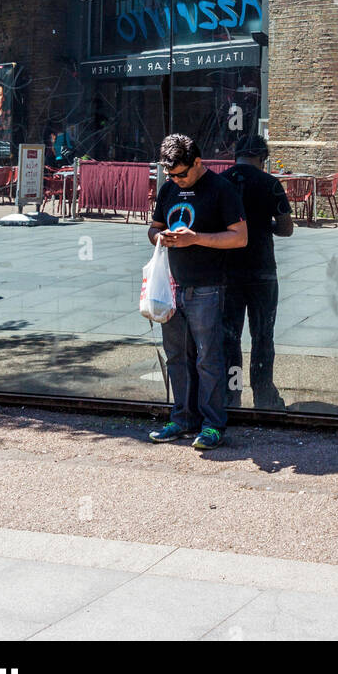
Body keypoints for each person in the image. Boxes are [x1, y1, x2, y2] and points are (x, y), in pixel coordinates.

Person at [147, 134, 247, 450]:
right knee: (177, 356)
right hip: (172, 285)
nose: (176, 180)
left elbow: (240, 238)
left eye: (181, 174)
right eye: (171, 174)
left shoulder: (221, 190)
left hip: (208, 287)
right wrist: (159, 237)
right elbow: (153, 227)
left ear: (198, 162)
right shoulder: (168, 190)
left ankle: (213, 424)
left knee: (208, 357)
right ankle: (182, 418)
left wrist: (196, 239)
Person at [223, 135, 293, 410]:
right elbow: (286, 228)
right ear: (262, 158)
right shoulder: (270, 183)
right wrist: (264, 228)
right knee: (263, 334)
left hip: (228, 271)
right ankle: (264, 395)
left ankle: (231, 395)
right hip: (262, 269)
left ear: (236, 154)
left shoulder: (221, 182)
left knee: (229, 336)